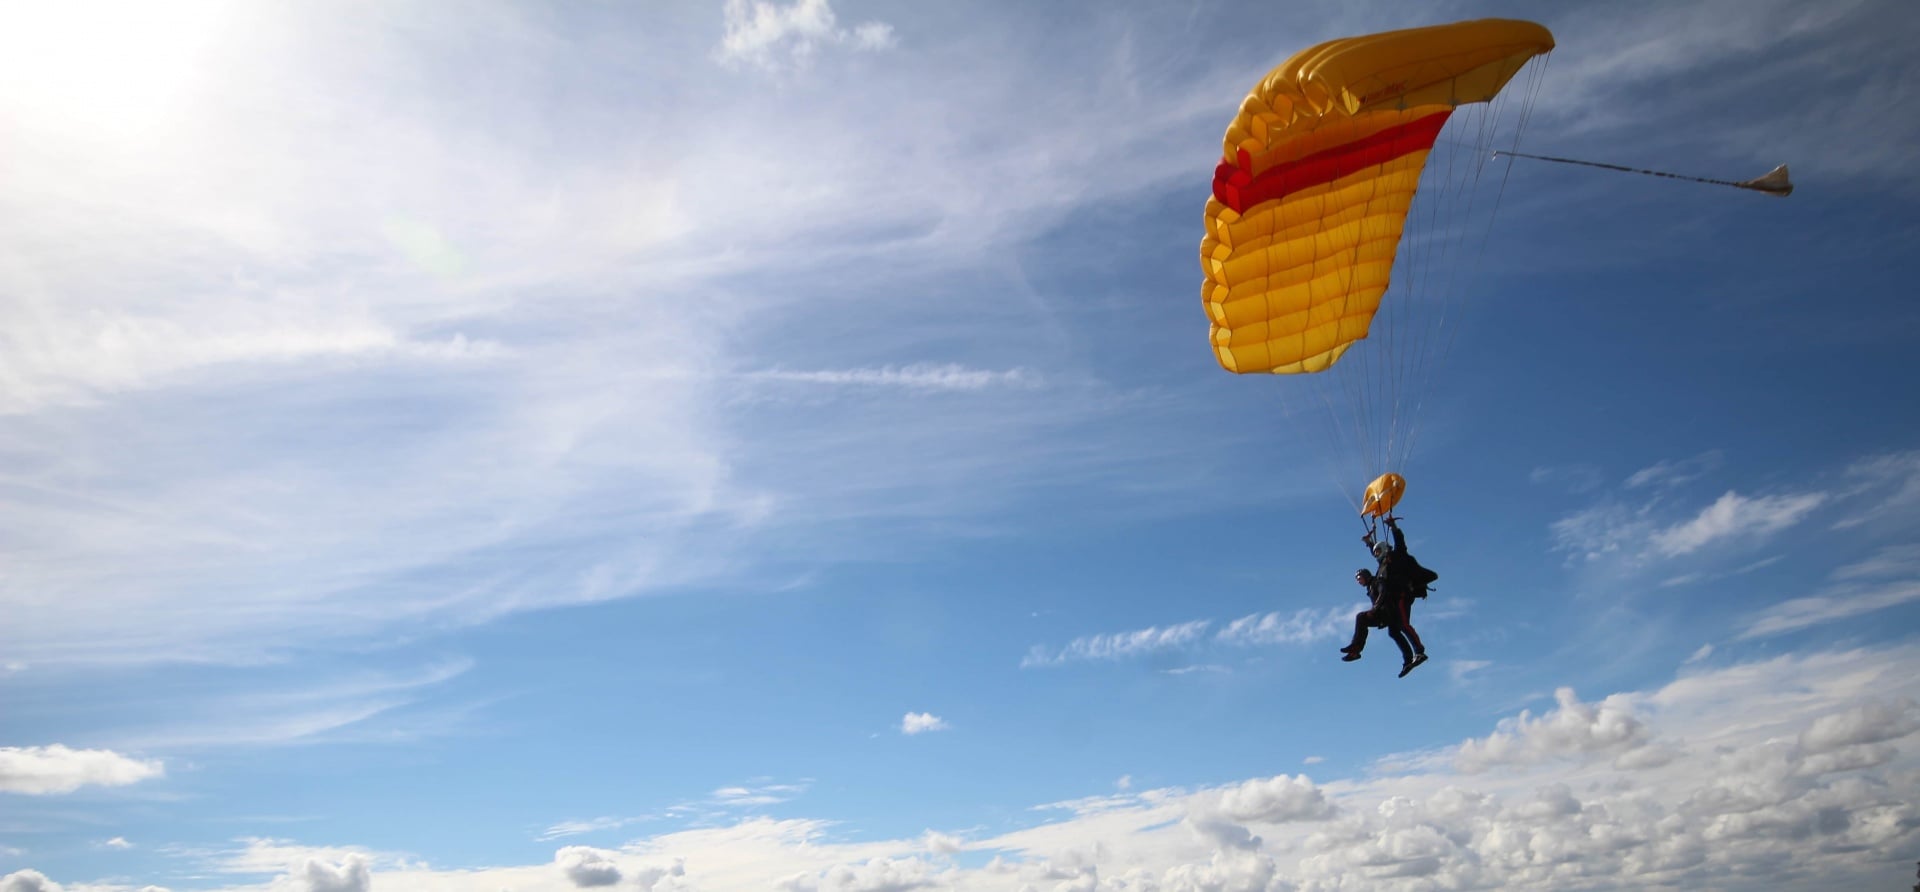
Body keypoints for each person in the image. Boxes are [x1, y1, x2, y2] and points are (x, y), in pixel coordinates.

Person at [1339, 568, 1426, 676]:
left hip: (1388, 612)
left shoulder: (1377, 581)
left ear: (1365, 576)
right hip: (1385, 614)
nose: (1358, 581)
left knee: (1361, 617)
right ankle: (1408, 660)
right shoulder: (1370, 587)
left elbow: (1383, 592)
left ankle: (1355, 648)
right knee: (1394, 633)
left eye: (1359, 578)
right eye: (1357, 580)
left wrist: (1374, 609)